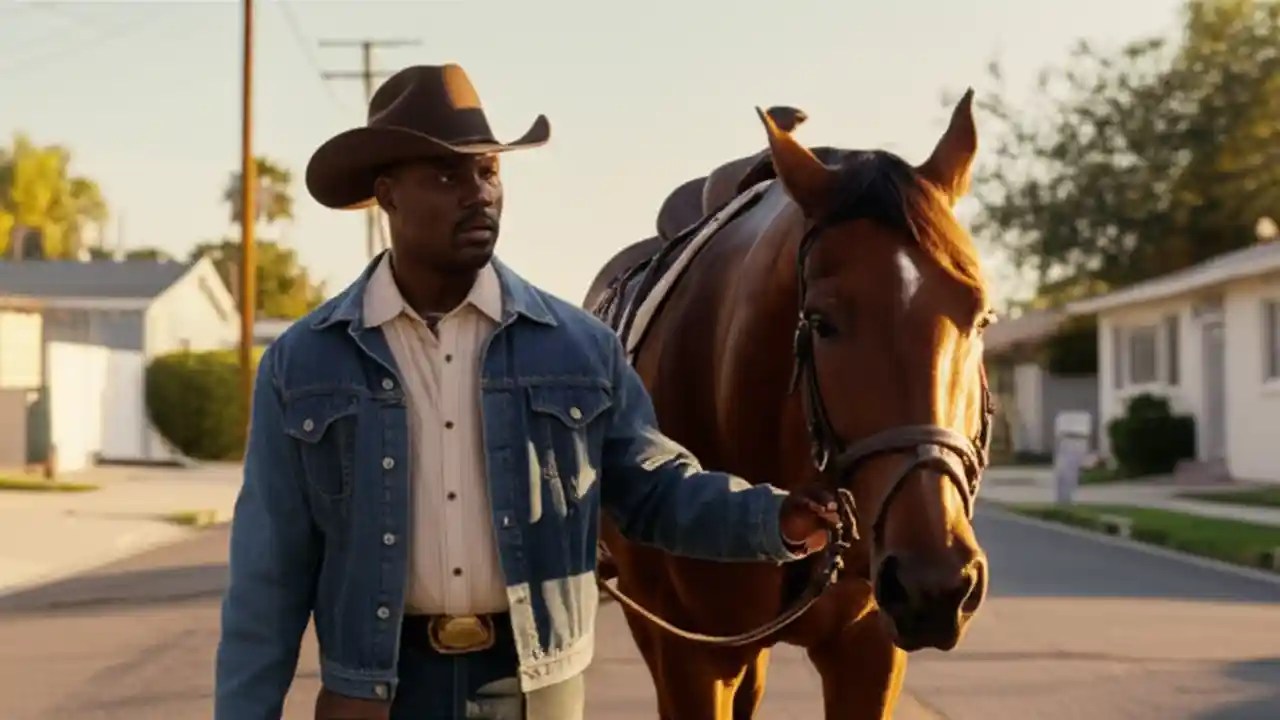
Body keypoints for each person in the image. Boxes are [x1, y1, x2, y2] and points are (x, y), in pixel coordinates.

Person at [214, 63, 839, 720]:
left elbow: (655, 489)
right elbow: (268, 579)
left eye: (488, 172)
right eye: (449, 175)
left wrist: (776, 521)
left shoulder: (576, 347)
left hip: (532, 690)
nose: (478, 193)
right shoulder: (307, 362)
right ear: (389, 195)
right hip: (372, 693)